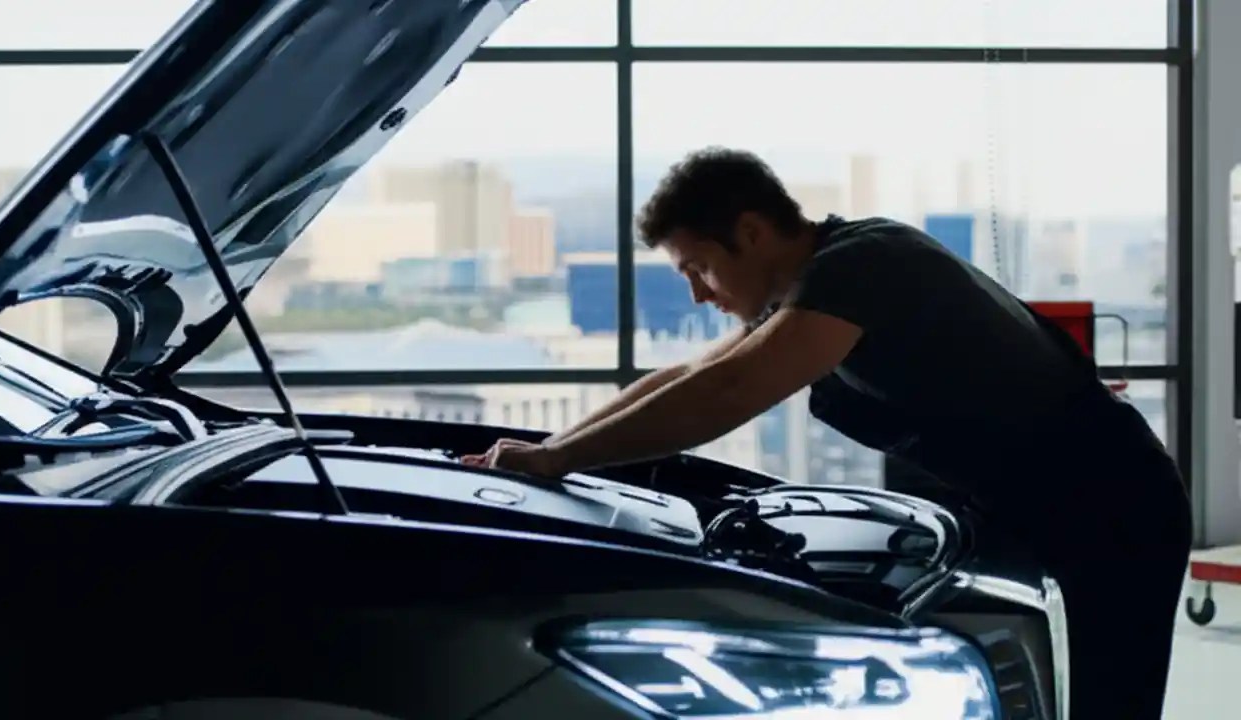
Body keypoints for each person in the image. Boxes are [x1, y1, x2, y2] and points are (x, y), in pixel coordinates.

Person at [462, 147, 1191, 719]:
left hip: (1113, 507)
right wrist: (546, 456)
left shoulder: (860, 268)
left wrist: (557, 459)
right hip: (1042, 506)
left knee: (1106, 707)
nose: (698, 293)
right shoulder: (828, 273)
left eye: (700, 268)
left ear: (751, 232)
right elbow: (692, 373)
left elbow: (729, 391)